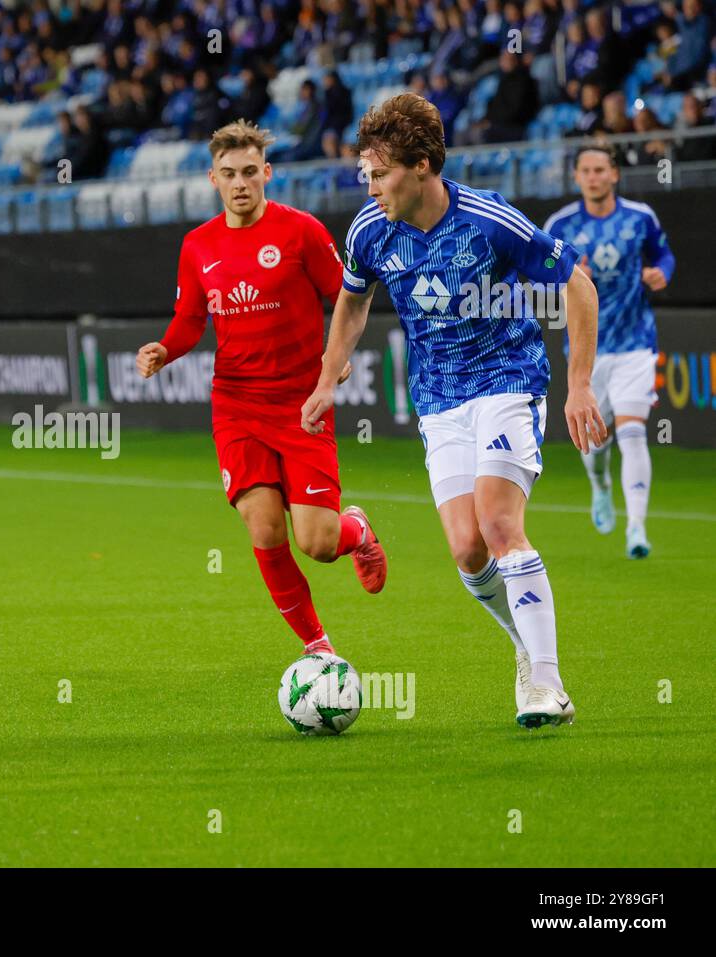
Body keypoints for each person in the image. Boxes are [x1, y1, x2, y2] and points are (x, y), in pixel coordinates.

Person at [302, 94, 605, 729]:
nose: (370, 186)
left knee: (498, 523)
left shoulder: (491, 221)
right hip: (439, 402)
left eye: (379, 174)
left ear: (420, 167)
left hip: (508, 380)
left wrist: (579, 386)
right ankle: (525, 644)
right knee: (468, 551)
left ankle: (547, 685)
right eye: (367, 174)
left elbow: (577, 282)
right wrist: (330, 376)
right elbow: (353, 301)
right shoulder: (368, 230)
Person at [135, 119, 387, 663]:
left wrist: (334, 361)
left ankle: (358, 531)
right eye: (229, 174)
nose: (240, 183)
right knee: (264, 526)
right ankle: (317, 649)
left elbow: (346, 299)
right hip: (237, 405)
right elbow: (188, 318)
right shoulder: (198, 245)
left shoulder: (301, 232)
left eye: (250, 171)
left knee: (317, 543)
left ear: (267, 173)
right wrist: (164, 349)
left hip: (302, 405)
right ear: (213, 178)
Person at [542, 144, 675, 558]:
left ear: (614, 174)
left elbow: (664, 254)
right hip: (587, 349)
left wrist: (661, 273)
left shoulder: (640, 218)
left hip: (636, 340)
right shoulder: (560, 224)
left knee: (634, 432)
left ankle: (637, 527)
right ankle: (600, 487)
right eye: (586, 170)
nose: (594, 177)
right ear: (577, 176)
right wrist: (568, 278)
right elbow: (541, 279)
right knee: (595, 439)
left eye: (601, 169)